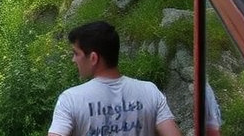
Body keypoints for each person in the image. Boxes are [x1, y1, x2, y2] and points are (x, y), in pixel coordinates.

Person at [48, 21, 183, 136]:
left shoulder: (70, 99)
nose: (73, 60)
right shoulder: (150, 91)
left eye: (76, 53)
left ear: (93, 58)